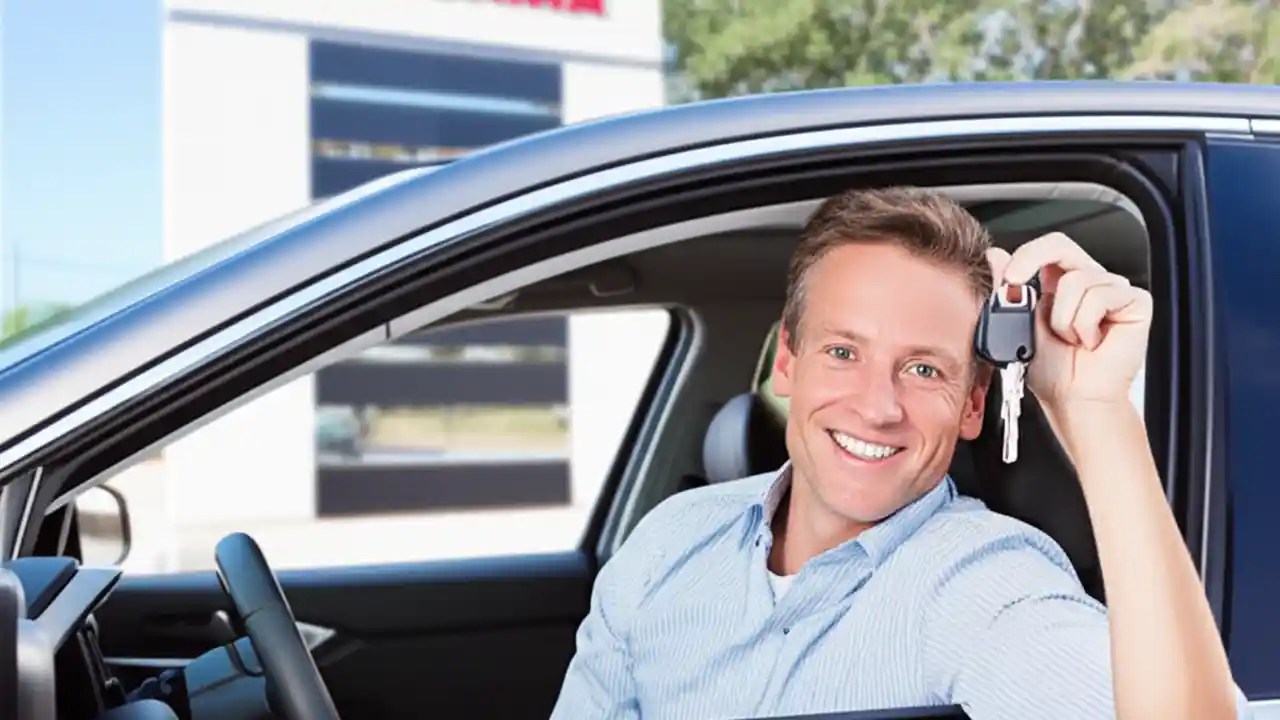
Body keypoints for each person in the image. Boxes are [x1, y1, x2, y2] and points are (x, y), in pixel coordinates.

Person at [549, 187, 1246, 720]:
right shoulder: (669, 541)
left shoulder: (979, 582)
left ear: (974, 405)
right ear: (789, 362)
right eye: (843, 351)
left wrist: (1097, 414)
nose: (878, 406)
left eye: (924, 370)